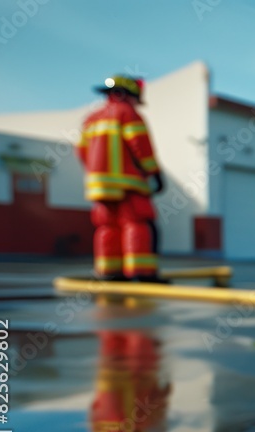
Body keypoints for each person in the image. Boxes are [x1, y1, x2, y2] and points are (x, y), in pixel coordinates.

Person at [76, 75, 164, 282]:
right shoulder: (128, 113)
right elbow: (141, 148)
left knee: (108, 226)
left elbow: (81, 151)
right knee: (136, 223)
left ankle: (109, 272)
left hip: (99, 186)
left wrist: (98, 175)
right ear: (125, 95)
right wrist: (154, 173)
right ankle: (141, 273)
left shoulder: (91, 118)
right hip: (129, 184)